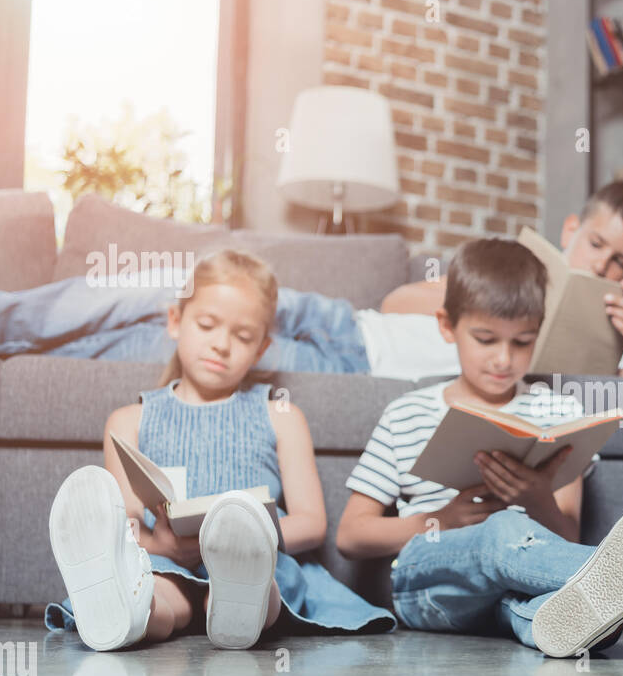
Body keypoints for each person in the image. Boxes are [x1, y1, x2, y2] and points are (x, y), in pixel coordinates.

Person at [334, 237, 623, 657]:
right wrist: (441, 519)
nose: (503, 359)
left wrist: (536, 498)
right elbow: (351, 535)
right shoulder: (406, 413)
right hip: (430, 586)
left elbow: (565, 533)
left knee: (550, 609)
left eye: (522, 341)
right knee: (499, 531)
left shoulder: (558, 412)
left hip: (514, 588)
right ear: (447, 325)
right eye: (486, 339)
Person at [0, 181, 623, 380]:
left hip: (343, 369)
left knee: (155, 348)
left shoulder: (607, 345)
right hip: (350, 322)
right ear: (574, 230)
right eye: (596, 246)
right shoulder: (506, 271)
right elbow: (396, 303)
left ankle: (8, 371)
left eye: (620, 263)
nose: (601, 268)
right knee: (178, 286)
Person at [44, 249, 396, 651]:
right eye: (207, 325)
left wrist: (246, 538)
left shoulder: (281, 415)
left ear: (261, 349)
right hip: (167, 559)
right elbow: (127, 523)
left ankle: (238, 610)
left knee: (252, 584)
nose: (222, 345)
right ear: (176, 322)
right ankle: (126, 613)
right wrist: (165, 546)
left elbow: (312, 523)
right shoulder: (128, 420)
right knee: (161, 592)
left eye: (243, 336)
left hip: (257, 559)